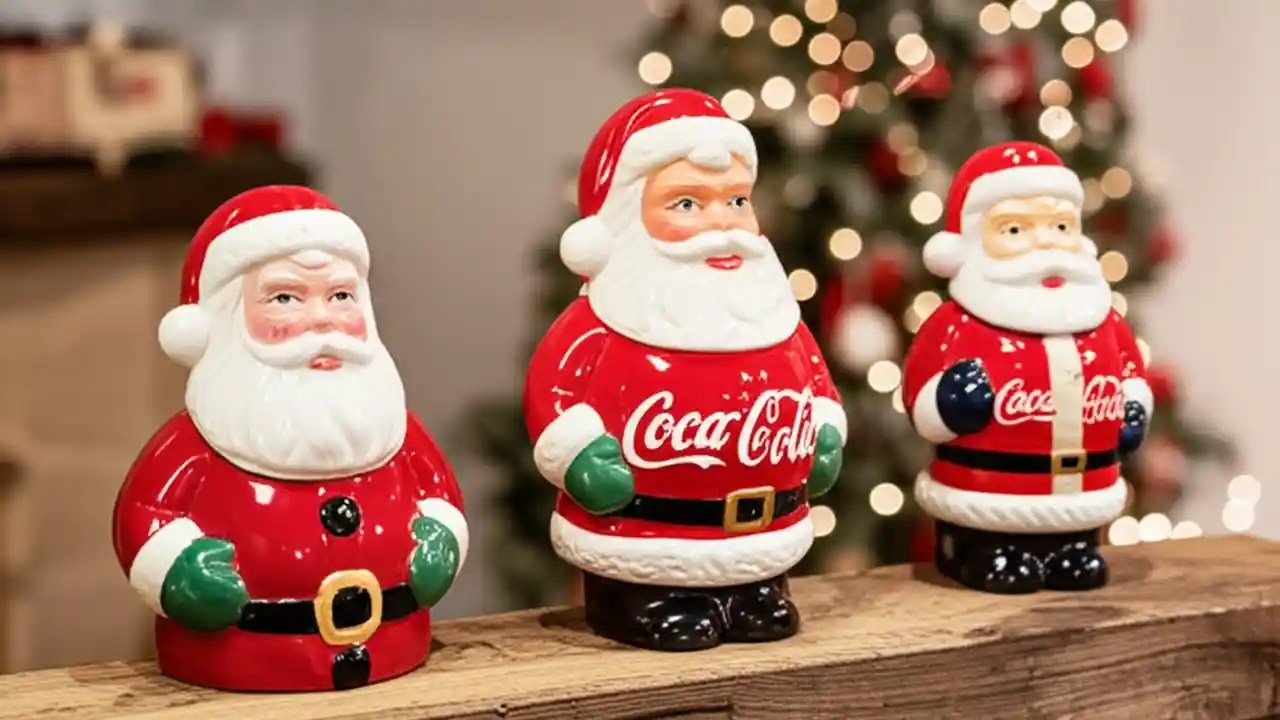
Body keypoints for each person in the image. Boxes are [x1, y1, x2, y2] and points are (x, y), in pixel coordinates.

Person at [524, 89, 847, 651]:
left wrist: (824, 429)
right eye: (687, 204)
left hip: (764, 534)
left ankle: (752, 593)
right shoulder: (600, 323)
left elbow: (817, 383)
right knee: (650, 598)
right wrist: (577, 454)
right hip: (642, 537)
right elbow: (552, 390)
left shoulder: (775, 314)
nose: (721, 222)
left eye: (737, 200)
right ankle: (643, 601)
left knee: (762, 606)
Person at [113, 186, 467, 690]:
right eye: (284, 298)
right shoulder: (195, 442)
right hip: (239, 661)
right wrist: (176, 571)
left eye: (341, 296)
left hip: (396, 646)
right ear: (226, 318)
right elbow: (145, 514)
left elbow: (439, 495)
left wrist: (441, 537)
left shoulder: (393, 427)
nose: (322, 319)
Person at [903, 142, 1152, 594]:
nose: (1046, 244)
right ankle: (981, 551)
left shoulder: (1103, 319)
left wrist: (1133, 408)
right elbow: (919, 388)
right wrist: (946, 404)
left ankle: (1072, 549)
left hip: (1084, 490)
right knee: (992, 547)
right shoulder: (956, 323)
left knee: (1076, 558)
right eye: (1015, 229)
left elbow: (1131, 375)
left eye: (1061, 226)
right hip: (985, 493)